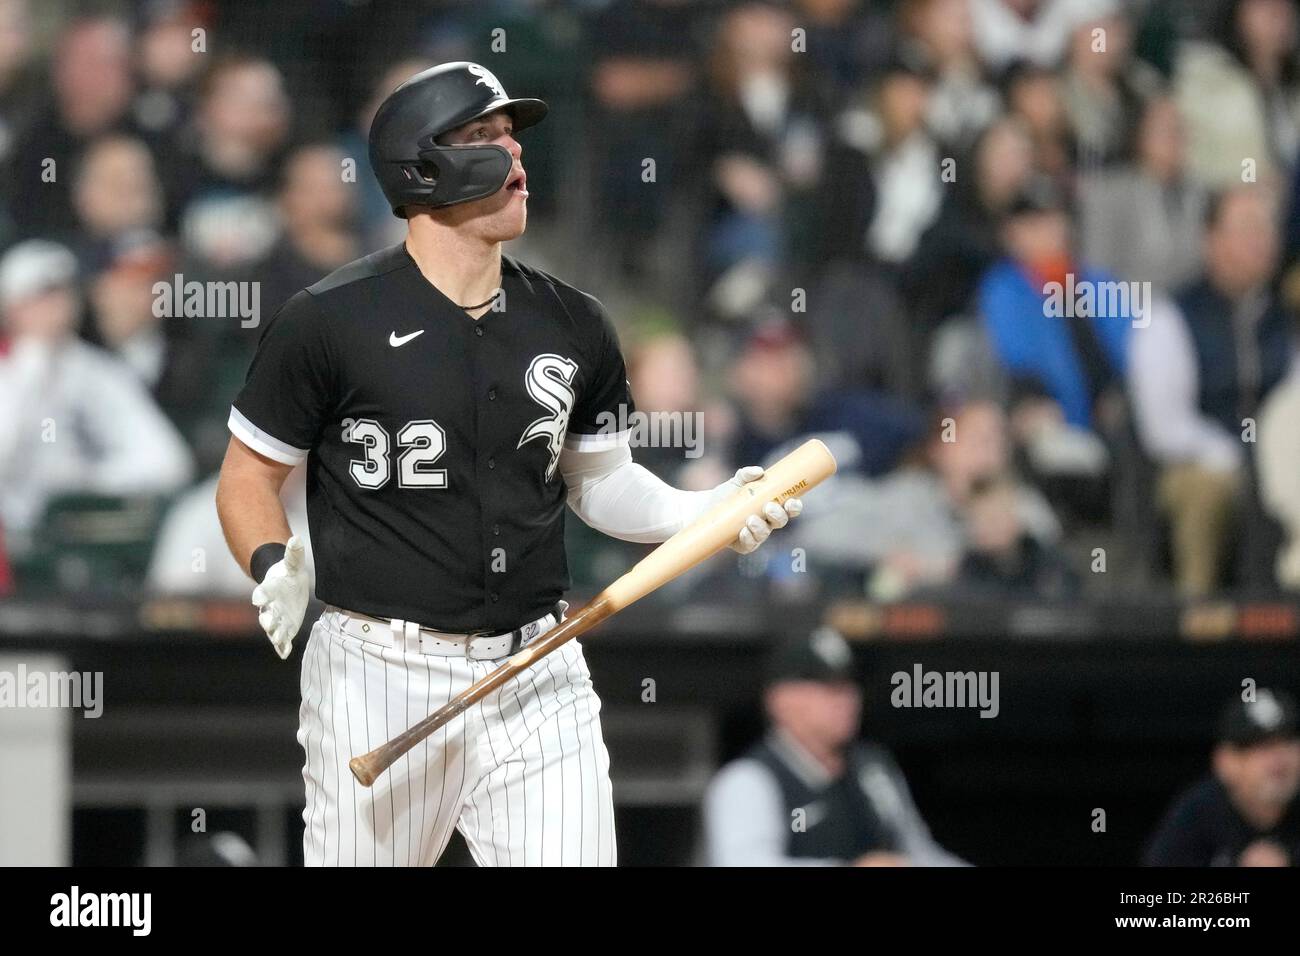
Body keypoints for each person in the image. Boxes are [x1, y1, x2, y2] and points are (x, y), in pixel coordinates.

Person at [214, 62, 804, 868]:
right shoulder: (327, 321)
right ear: (420, 167)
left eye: (514, 137)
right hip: (377, 668)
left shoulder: (573, 320)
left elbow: (600, 482)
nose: (515, 156)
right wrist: (271, 559)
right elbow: (248, 475)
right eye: (484, 138)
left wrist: (703, 513)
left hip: (536, 664)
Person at [1128, 187, 1292, 595]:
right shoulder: (1170, 316)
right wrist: (1236, 456)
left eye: (1267, 229)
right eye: (1248, 229)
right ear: (1212, 239)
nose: (1261, 241)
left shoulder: (1284, 318)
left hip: (1278, 462)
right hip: (1196, 462)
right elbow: (1164, 426)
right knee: (1206, 489)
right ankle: (1194, 613)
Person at [703, 626, 965, 866]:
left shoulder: (871, 767)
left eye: (849, 685)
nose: (846, 699)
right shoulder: (750, 779)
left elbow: (918, 853)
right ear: (781, 700)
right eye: (829, 688)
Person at [0, 239, 193, 557]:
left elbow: (168, 462)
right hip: (12, 539)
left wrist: (87, 482)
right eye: (42, 295)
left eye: (63, 292)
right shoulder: (9, 371)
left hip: (79, 534)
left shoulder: (97, 370)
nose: (57, 305)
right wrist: (30, 374)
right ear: (11, 307)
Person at [1144, 689, 1300, 866]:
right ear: (1224, 761)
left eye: (1287, 742)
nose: (1277, 759)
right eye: (1259, 748)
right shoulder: (1197, 816)